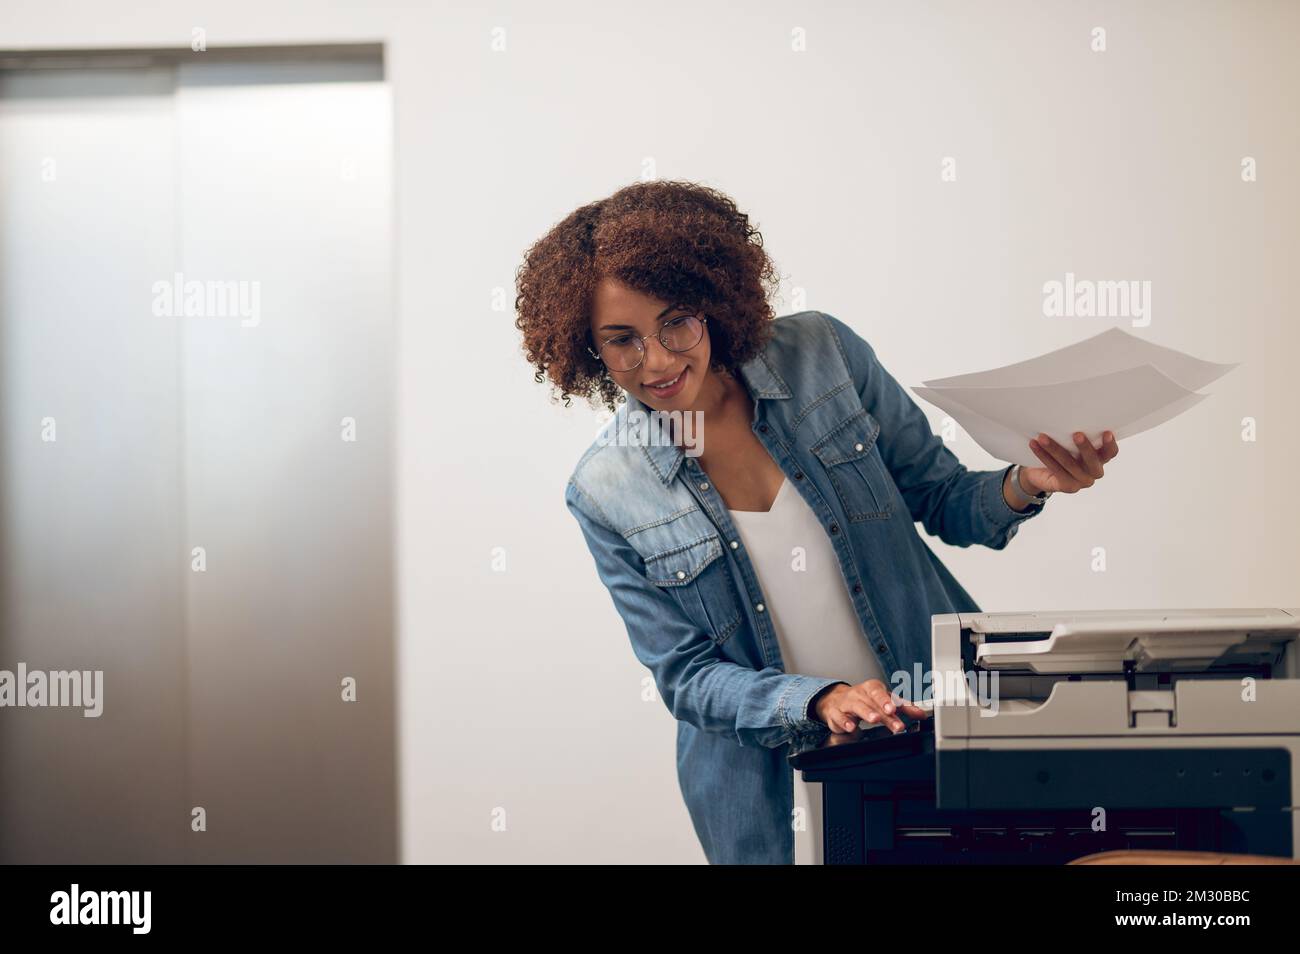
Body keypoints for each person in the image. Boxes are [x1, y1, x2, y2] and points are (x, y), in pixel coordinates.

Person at [514, 180, 1119, 864]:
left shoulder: (821, 356)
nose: (656, 360)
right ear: (588, 351)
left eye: (675, 322)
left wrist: (1025, 484)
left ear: (712, 302)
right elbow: (684, 675)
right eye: (621, 341)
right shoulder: (605, 489)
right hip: (765, 793)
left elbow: (944, 497)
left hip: (933, 732)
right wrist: (816, 700)